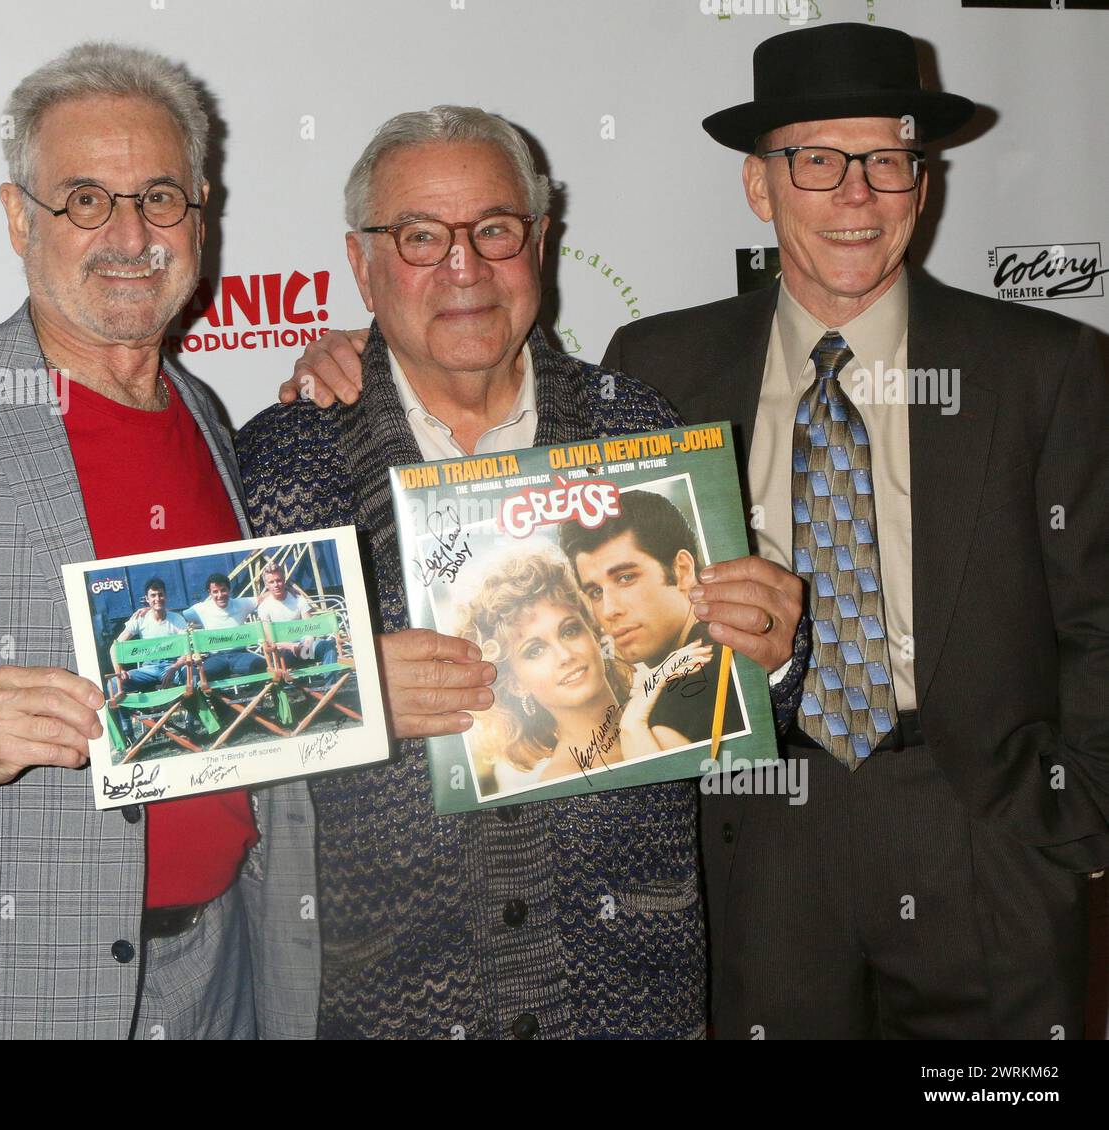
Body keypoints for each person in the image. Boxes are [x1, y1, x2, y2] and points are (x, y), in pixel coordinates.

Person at [283, 25, 1109, 1039]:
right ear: (761, 189)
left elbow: (1097, 617)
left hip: (984, 839)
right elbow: (470, 342)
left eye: (886, 161)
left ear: (921, 185)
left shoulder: (1047, 364)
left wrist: (1077, 819)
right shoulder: (660, 365)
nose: (854, 196)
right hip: (754, 845)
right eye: (815, 161)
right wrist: (361, 353)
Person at [237, 105, 805, 1039]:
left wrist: (774, 654)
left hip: (627, 992)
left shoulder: (640, 431)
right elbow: (217, 731)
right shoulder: (283, 460)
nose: (464, 268)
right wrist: (347, 688)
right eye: (421, 236)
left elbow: (727, 714)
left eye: (495, 230)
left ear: (539, 243)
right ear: (360, 262)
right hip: (392, 1000)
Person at [0, 42, 317, 1039]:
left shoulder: (208, 415)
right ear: (18, 217)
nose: (129, 233)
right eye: (85, 200)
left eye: (159, 198)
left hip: (213, 979)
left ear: (199, 213)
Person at [451, 549, 713, 795]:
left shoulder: (672, 714)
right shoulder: (559, 783)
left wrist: (634, 725)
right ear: (516, 684)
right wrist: (633, 727)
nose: (565, 655)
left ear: (594, 633)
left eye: (569, 630)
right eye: (535, 650)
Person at [560, 489, 746, 747]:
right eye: (595, 592)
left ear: (681, 571)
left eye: (626, 578)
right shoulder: (726, 641)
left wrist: (632, 727)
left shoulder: (671, 712)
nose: (608, 610)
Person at [110, 576, 192, 691]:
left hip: (172, 666)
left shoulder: (177, 619)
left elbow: (188, 649)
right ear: (147, 599)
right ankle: (137, 709)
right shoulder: (140, 619)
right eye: (153, 595)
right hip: (147, 669)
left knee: (193, 676)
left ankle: (192, 707)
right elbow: (115, 647)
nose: (157, 598)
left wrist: (175, 667)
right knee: (113, 684)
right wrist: (119, 670)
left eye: (160, 594)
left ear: (166, 596)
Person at [182, 572, 267, 683]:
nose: (220, 595)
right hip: (216, 658)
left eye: (223, 590)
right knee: (199, 675)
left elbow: (262, 598)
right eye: (215, 592)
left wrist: (286, 589)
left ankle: (256, 698)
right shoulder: (200, 609)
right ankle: (224, 701)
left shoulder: (241, 604)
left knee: (260, 664)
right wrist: (152, 610)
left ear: (229, 590)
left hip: (240, 655)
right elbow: (178, 617)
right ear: (210, 593)